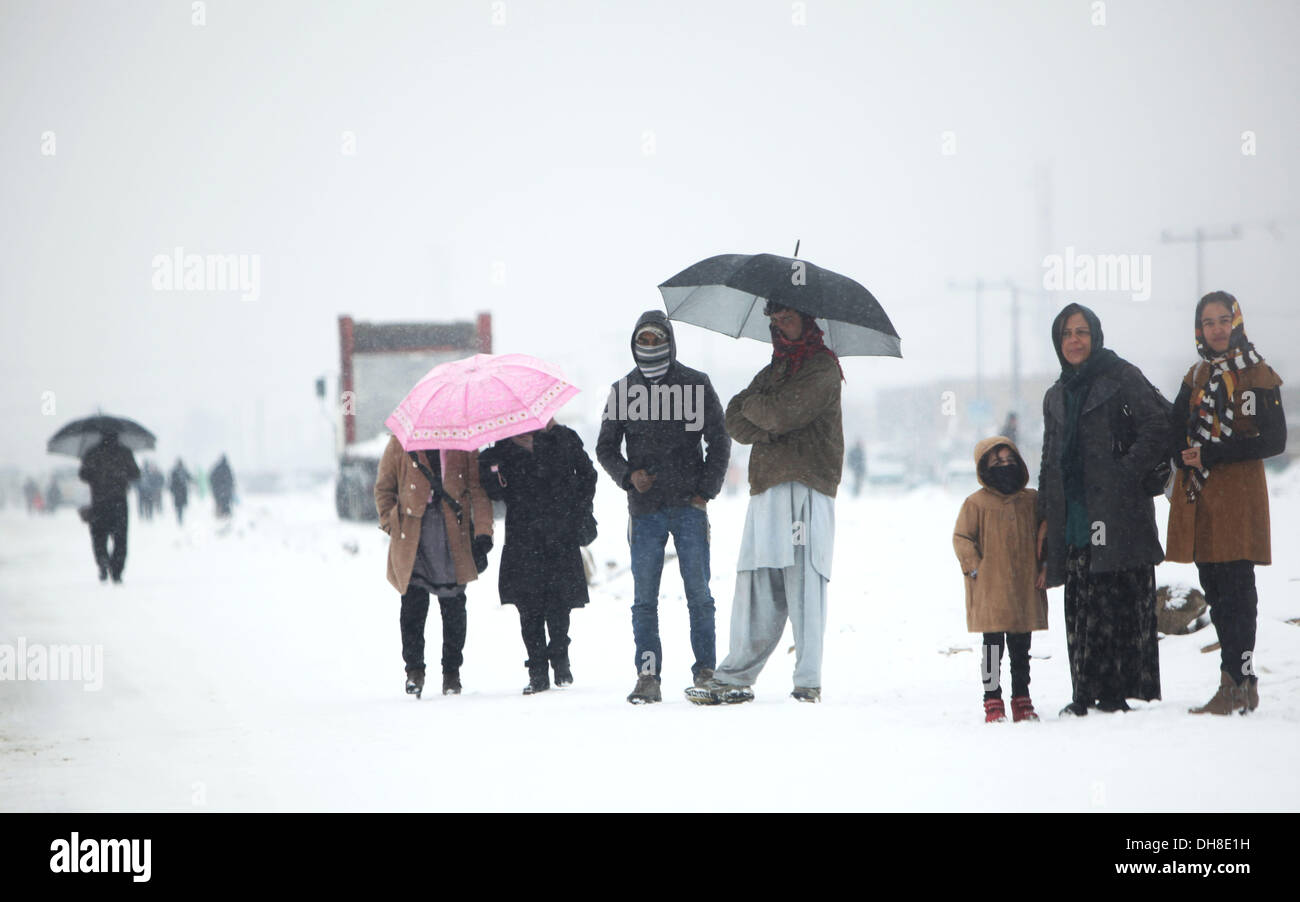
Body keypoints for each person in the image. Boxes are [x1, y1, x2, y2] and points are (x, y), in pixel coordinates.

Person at [686, 301, 844, 705]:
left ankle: (807, 680)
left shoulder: (823, 368)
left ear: (807, 319)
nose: (779, 326)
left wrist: (765, 418)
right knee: (757, 582)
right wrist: (767, 420)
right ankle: (736, 674)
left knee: (805, 580)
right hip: (767, 486)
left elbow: (781, 413)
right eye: (774, 320)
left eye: (787, 318)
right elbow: (733, 419)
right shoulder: (773, 368)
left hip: (807, 484)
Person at [596, 310, 731, 704]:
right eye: (645, 341)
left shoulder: (696, 384)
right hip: (645, 510)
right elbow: (605, 448)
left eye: (657, 340)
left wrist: (705, 491)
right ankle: (648, 674)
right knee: (644, 599)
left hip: (689, 507)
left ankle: (706, 671)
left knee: (699, 594)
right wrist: (627, 476)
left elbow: (719, 441)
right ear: (635, 343)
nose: (651, 347)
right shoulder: (622, 391)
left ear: (670, 341)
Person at [1037, 303, 1164, 716]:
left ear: (1096, 335)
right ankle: (1083, 691)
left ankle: (1116, 691)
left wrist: (1124, 474)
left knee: (1117, 598)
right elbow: (1047, 460)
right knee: (1080, 600)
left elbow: (1160, 424)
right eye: (1066, 334)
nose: (1074, 340)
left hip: (1118, 513)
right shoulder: (1056, 395)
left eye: (1081, 331)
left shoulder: (1120, 376)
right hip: (1074, 513)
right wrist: (1043, 516)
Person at [1165, 292, 1285, 715]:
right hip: (1200, 497)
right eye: (1208, 322)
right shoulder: (1196, 375)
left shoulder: (1258, 374)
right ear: (1200, 330)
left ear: (1236, 323)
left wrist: (1212, 453)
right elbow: (1175, 427)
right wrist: (1180, 451)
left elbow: (1274, 441)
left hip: (1238, 495)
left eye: (1223, 320)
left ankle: (1238, 680)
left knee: (1238, 591)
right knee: (1216, 590)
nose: (1216, 329)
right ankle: (1238, 682)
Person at [479, 419, 597, 695]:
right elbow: (496, 491)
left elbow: (587, 476)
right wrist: (487, 463)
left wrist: (538, 448)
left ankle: (559, 655)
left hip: (559, 531)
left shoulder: (564, 438)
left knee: (559, 601)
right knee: (527, 604)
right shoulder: (506, 444)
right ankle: (537, 670)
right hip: (523, 534)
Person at [375, 437, 493, 698]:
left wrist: (484, 532)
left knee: (453, 605)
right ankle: (414, 670)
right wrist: (391, 524)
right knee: (413, 605)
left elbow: (477, 490)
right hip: (413, 534)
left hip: (452, 533)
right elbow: (384, 488)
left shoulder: (463, 443)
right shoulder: (400, 442)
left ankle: (452, 673)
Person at [953, 436, 1047, 723]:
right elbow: (962, 537)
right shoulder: (976, 503)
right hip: (990, 591)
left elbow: (1046, 535)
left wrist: (1046, 567)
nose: (1004, 466)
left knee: (1022, 652)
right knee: (992, 650)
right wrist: (975, 568)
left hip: (1024, 590)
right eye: (996, 462)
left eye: (1009, 460)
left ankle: (1022, 700)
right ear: (984, 468)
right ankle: (992, 700)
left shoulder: (1031, 500)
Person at [79, 431, 141, 583]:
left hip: (98, 501)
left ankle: (102, 559)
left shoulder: (92, 452)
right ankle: (117, 570)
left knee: (99, 536)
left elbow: (83, 474)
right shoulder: (125, 452)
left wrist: (97, 477)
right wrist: (121, 476)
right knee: (120, 538)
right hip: (119, 501)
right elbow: (136, 474)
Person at [169, 459, 192, 525]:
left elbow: (189, 477)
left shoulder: (177, 471)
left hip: (180, 492)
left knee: (179, 507)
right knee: (179, 507)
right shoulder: (179, 471)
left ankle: (180, 518)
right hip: (180, 491)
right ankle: (180, 518)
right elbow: (189, 477)